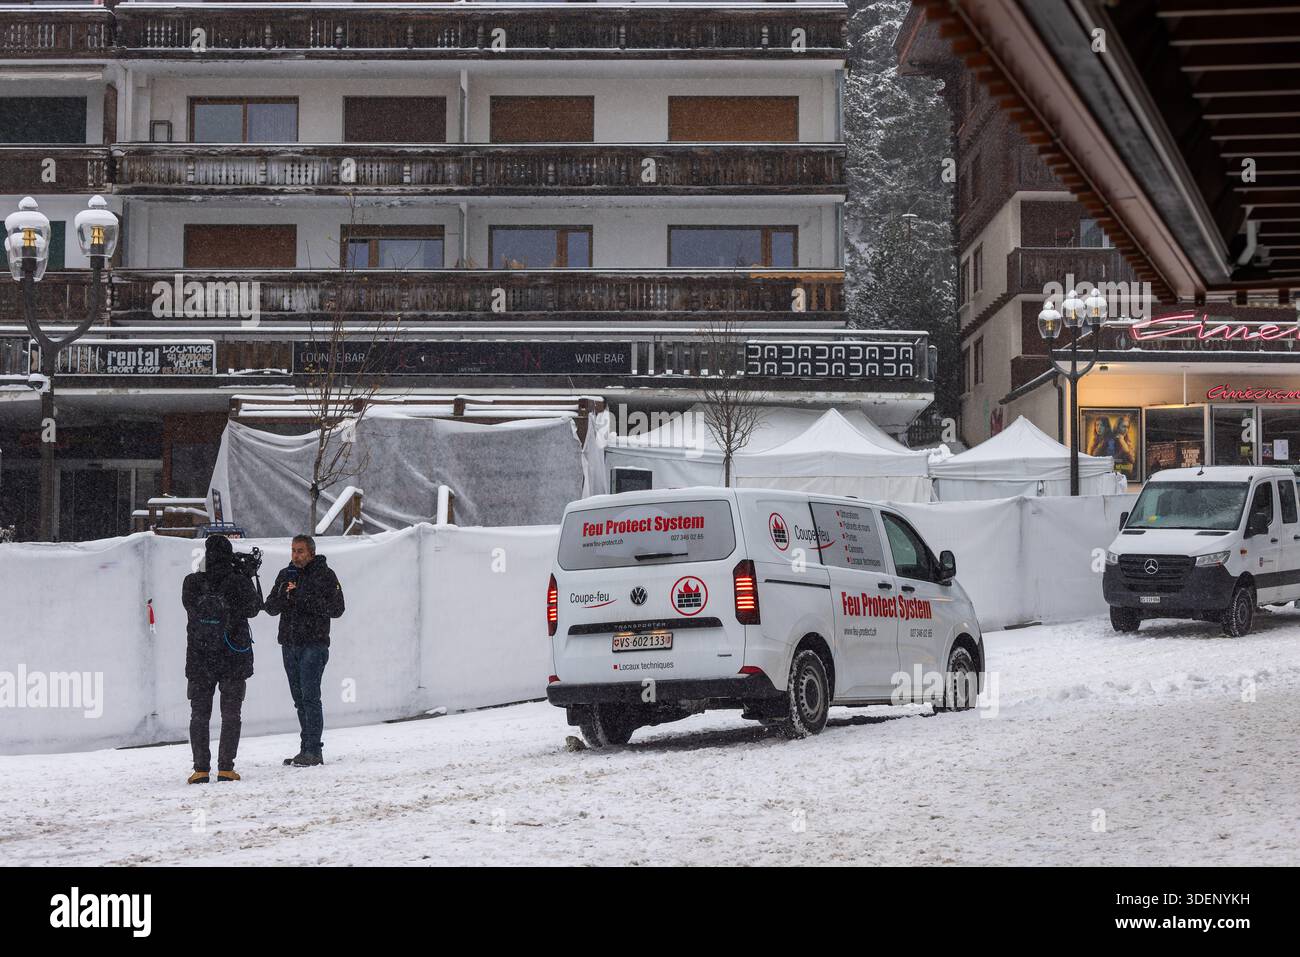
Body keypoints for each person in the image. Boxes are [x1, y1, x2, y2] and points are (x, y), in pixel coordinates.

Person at [181, 534, 261, 784]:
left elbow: (189, 608)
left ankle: (200, 769)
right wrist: (247, 575)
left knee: (199, 714)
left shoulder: (192, 582)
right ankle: (226, 767)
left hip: (200, 656)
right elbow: (255, 609)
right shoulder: (239, 582)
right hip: (233, 656)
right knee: (231, 714)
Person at [264, 534, 345, 767]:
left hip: (314, 644)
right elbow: (270, 607)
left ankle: (314, 749)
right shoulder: (285, 575)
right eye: (292, 550)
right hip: (289, 644)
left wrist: (302, 597)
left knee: (310, 697)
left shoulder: (325, 575)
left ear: (311, 552)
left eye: (299, 551)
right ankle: (305, 748)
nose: (295, 555)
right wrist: (283, 595)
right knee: (299, 699)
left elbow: (337, 608)